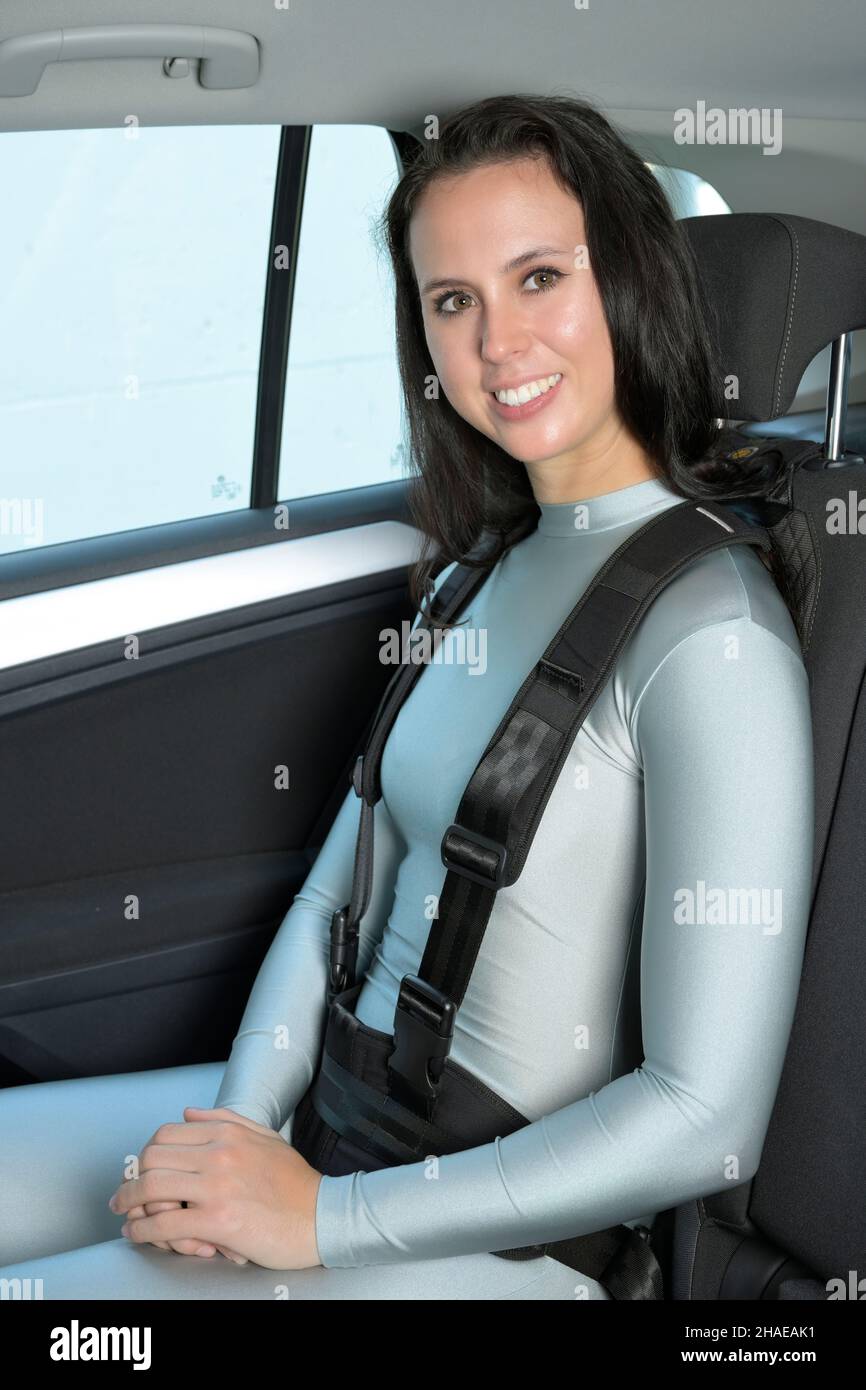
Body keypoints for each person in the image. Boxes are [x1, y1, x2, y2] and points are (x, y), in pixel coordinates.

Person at [0, 93, 814, 1300]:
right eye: (452, 301)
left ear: (630, 280)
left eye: (538, 277)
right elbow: (340, 879)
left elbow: (704, 1115)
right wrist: (239, 1139)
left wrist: (322, 1221)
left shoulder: (710, 632)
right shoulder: (482, 564)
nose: (496, 343)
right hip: (331, 1131)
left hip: (497, 1246)